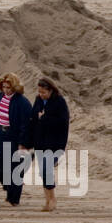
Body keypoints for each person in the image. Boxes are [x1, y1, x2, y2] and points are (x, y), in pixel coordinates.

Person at [0, 73, 33, 207]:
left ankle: (13, 200)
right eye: (4, 87)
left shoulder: (22, 102)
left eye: (9, 87)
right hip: (0, 134)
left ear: (15, 87)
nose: (6, 90)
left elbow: (27, 125)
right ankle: (9, 186)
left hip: (14, 137)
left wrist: (23, 143)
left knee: (14, 169)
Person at [29, 76, 70, 212]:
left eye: (44, 92)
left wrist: (44, 118)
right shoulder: (38, 100)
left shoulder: (59, 102)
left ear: (51, 90)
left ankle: (52, 199)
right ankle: (47, 200)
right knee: (42, 171)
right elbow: (34, 117)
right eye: (39, 92)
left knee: (47, 169)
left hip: (55, 142)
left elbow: (63, 122)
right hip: (40, 141)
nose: (41, 95)